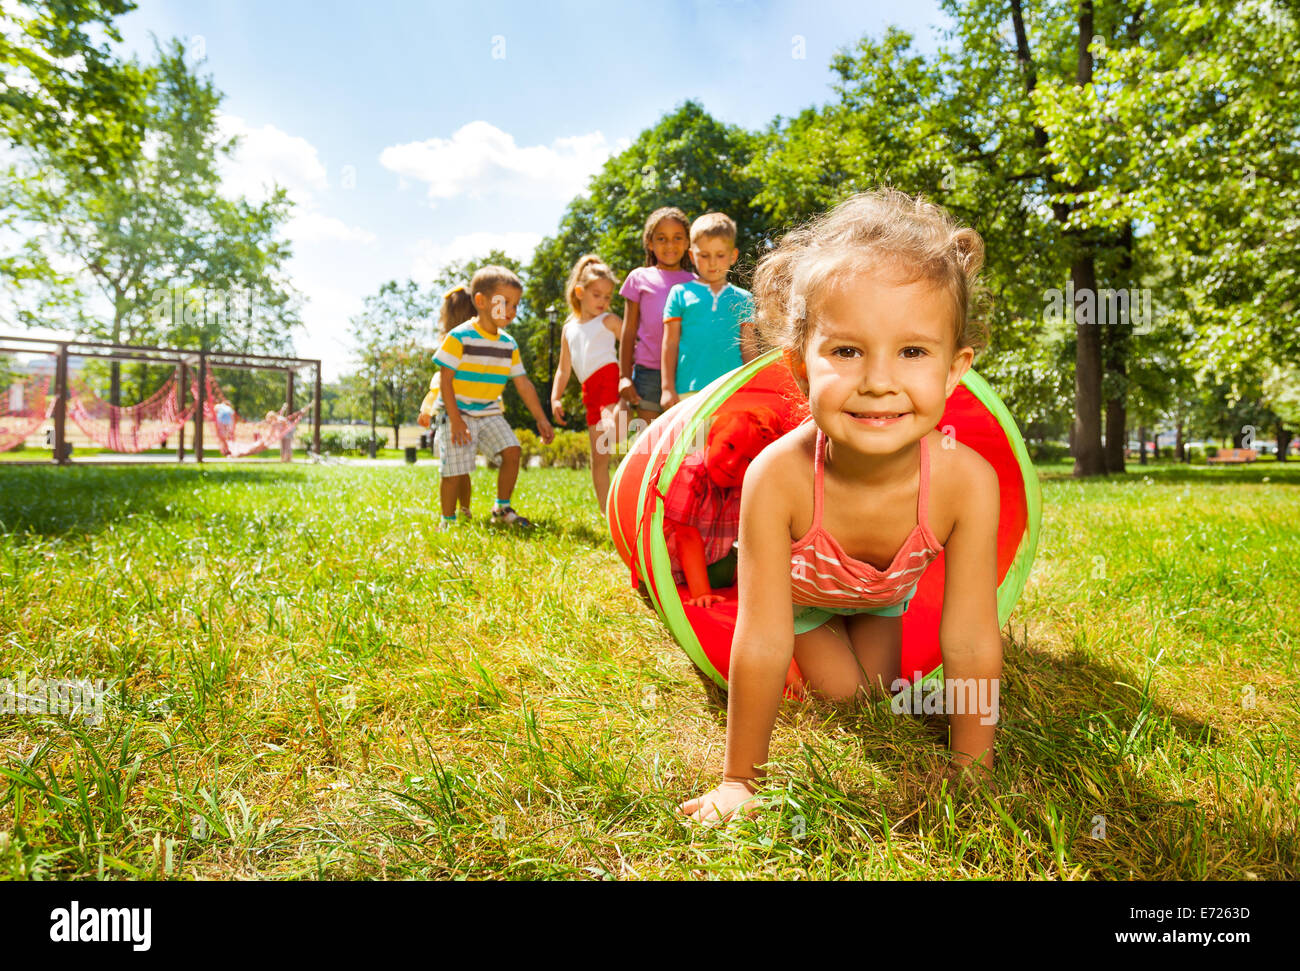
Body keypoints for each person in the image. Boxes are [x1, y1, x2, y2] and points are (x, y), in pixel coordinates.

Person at [680, 189, 1002, 824]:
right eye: (847, 350)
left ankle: (859, 646)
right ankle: (825, 654)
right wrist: (739, 781)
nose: (879, 380)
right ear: (800, 368)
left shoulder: (968, 481)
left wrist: (973, 766)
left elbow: (970, 639)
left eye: (913, 351)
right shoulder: (778, 477)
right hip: (804, 604)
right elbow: (762, 635)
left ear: (954, 370)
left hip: (881, 594)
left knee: (882, 694)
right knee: (852, 699)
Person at [433, 265, 554, 529]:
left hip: (489, 411)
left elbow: (523, 384)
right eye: (505, 303)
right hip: (457, 413)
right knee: (453, 470)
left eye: (516, 305)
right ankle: (448, 521)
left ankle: (501, 508)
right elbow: (445, 380)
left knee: (512, 451)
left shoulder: (508, 344)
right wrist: (455, 419)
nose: (511, 311)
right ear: (481, 301)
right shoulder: (459, 337)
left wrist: (541, 419)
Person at [662, 407, 784, 605]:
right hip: (669, 565)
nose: (731, 463)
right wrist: (702, 594)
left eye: (750, 459)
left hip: (714, 560)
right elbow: (687, 537)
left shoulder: (744, 486)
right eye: (730, 446)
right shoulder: (690, 473)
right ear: (712, 437)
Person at [660, 212, 758, 409]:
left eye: (720, 255)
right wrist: (667, 388)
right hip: (689, 392)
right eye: (704, 255)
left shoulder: (744, 298)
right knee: (695, 441)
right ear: (692, 256)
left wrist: (756, 385)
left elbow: (748, 347)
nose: (712, 262)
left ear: (733, 256)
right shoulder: (679, 293)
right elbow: (670, 344)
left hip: (733, 390)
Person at [549, 255, 622, 511]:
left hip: (611, 382)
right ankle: (607, 512)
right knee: (599, 457)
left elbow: (633, 348)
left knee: (615, 434)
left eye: (607, 296)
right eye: (597, 295)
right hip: (589, 391)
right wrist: (555, 397)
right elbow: (563, 368)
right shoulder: (569, 328)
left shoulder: (609, 321)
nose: (603, 302)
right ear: (579, 292)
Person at [617, 207, 695, 428]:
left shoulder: (696, 282)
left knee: (684, 439)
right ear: (650, 243)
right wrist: (624, 376)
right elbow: (628, 330)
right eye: (661, 238)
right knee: (649, 442)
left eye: (677, 238)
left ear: (688, 242)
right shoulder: (638, 278)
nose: (670, 245)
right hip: (648, 371)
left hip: (685, 372)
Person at [419, 284, 478, 519]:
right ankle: (464, 510)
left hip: (451, 417)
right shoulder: (477, 341)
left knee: (450, 469)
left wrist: (426, 409)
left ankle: (449, 517)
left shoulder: (451, 342)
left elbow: (440, 385)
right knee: (461, 470)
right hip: (472, 414)